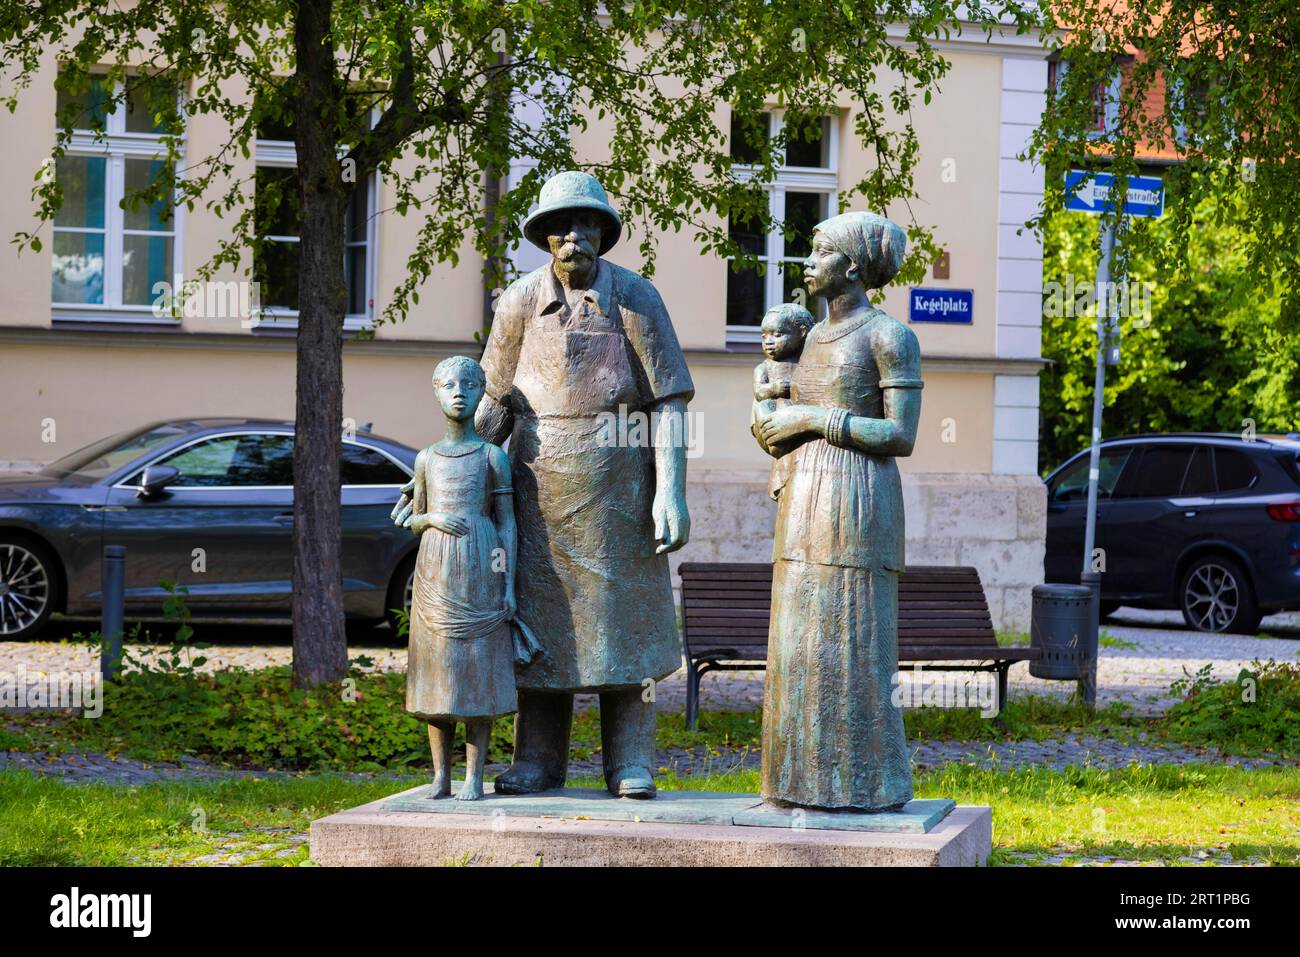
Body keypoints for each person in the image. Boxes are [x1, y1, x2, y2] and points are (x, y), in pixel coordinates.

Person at [394, 171, 694, 799]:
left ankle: (629, 760)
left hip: (620, 494)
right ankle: (538, 758)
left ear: (604, 234)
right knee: (538, 625)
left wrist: (671, 490)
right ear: (544, 237)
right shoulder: (518, 302)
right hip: (535, 493)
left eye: (588, 224)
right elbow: (493, 401)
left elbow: (667, 400)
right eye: (563, 225)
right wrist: (455, 467)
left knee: (623, 629)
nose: (575, 236)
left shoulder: (638, 299)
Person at [755, 211, 923, 811]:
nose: (807, 261)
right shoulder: (804, 342)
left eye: (819, 250)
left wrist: (814, 420)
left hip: (858, 498)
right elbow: (778, 423)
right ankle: (797, 782)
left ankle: (867, 783)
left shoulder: (888, 337)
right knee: (798, 640)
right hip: (801, 496)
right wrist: (769, 421)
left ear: (852, 267)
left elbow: (900, 435)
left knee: (854, 643)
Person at [402, 355, 531, 801]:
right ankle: (440, 776)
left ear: (481, 395)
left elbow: (508, 522)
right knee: (438, 670)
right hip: (436, 565)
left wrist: (508, 581)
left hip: (481, 561)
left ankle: (474, 776)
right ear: (436, 392)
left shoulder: (493, 456)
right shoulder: (425, 458)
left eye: (470, 385)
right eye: (449, 385)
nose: (459, 393)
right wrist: (434, 516)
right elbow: (414, 519)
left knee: (477, 670)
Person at [751, 302, 816, 500]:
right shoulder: (764, 368)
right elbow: (759, 391)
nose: (769, 342)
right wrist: (775, 389)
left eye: (778, 335)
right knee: (762, 406)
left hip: (799, 423)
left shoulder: (809, 365)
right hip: (773, 417)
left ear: (802, 333)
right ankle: (775, 440)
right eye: (764, 336)